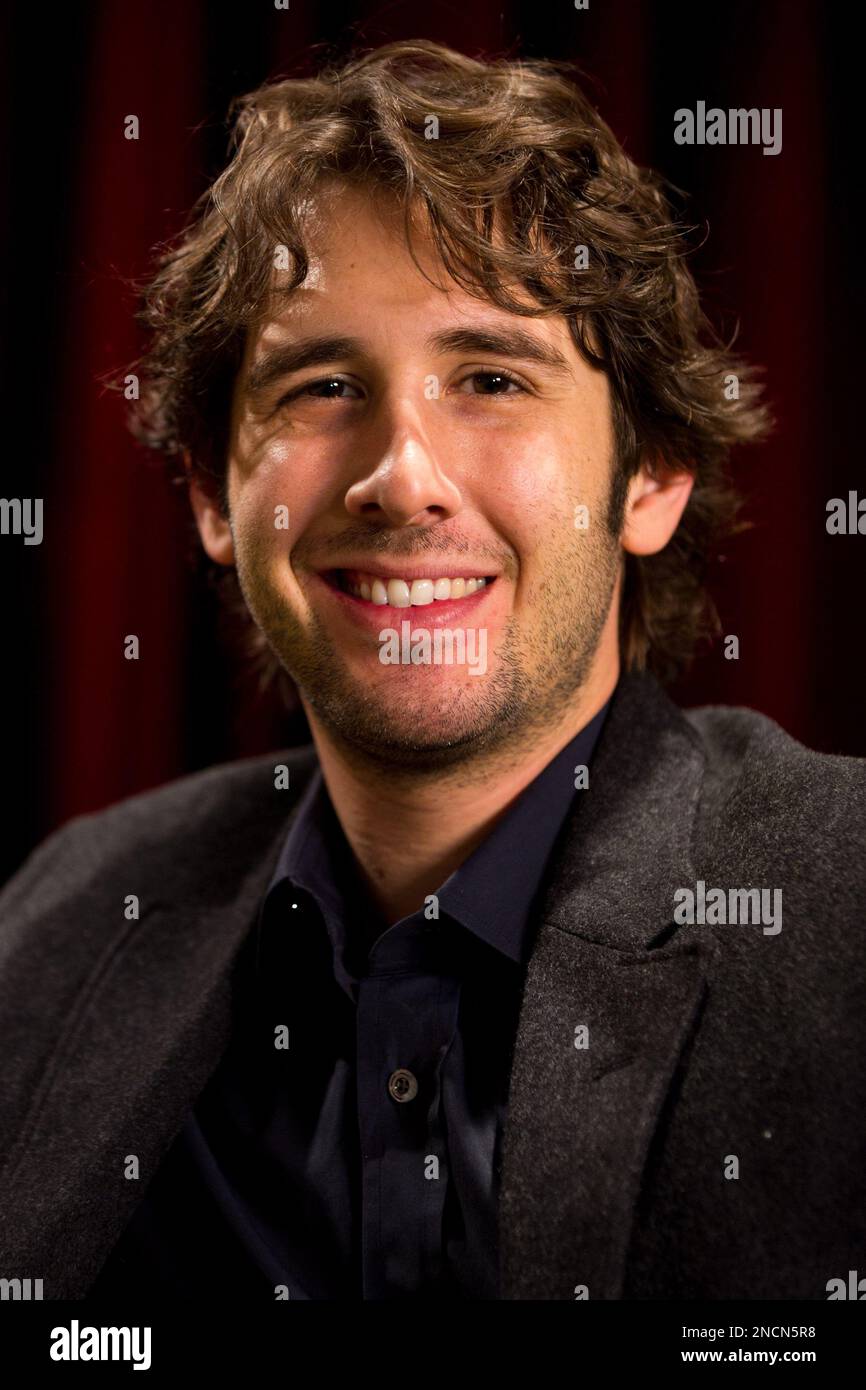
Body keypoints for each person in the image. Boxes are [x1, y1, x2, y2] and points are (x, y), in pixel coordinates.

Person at [1, 40, 863, 1302]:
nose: (399, 473)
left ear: (651, 474)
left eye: (492, 378)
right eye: (323, 383)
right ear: (207, 491)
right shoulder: (58, 922)